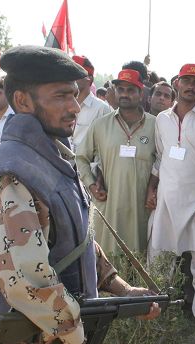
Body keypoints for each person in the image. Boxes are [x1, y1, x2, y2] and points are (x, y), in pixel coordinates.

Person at [0, 45, 160, 344]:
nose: (75, 105)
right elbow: (23, 279)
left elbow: (76, 239)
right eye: (61, 95)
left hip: (65, 339)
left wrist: (119, 287)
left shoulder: (47, 156)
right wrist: (75, 333)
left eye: (76, 94)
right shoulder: (17, 169)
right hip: (51, 343)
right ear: (23, 100)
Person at [148, 63, 195, 337]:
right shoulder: (162, 119)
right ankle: (157, 311)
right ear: (177, 83)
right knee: (161, 258)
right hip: (167, 200)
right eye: (187, 81)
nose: (192, 87)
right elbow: (161, 156)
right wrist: (152, 188)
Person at [76, 69, 156, 254]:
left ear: (141, 92)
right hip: (109, 206)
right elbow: (81, 158)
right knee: (108, 263)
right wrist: (91, 185)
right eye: (120, 89)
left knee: (140, 262)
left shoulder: (154, 124)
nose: (125, 94)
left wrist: (155, 190)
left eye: (130, 90)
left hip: (141, 209)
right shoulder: (101, 124)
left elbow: (162, 162)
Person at [71, 55, 111, 153]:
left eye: (75, 72)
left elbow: (104, 148)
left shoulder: (102, 109)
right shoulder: (62, 106)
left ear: (89, 78)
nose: (71, 77)